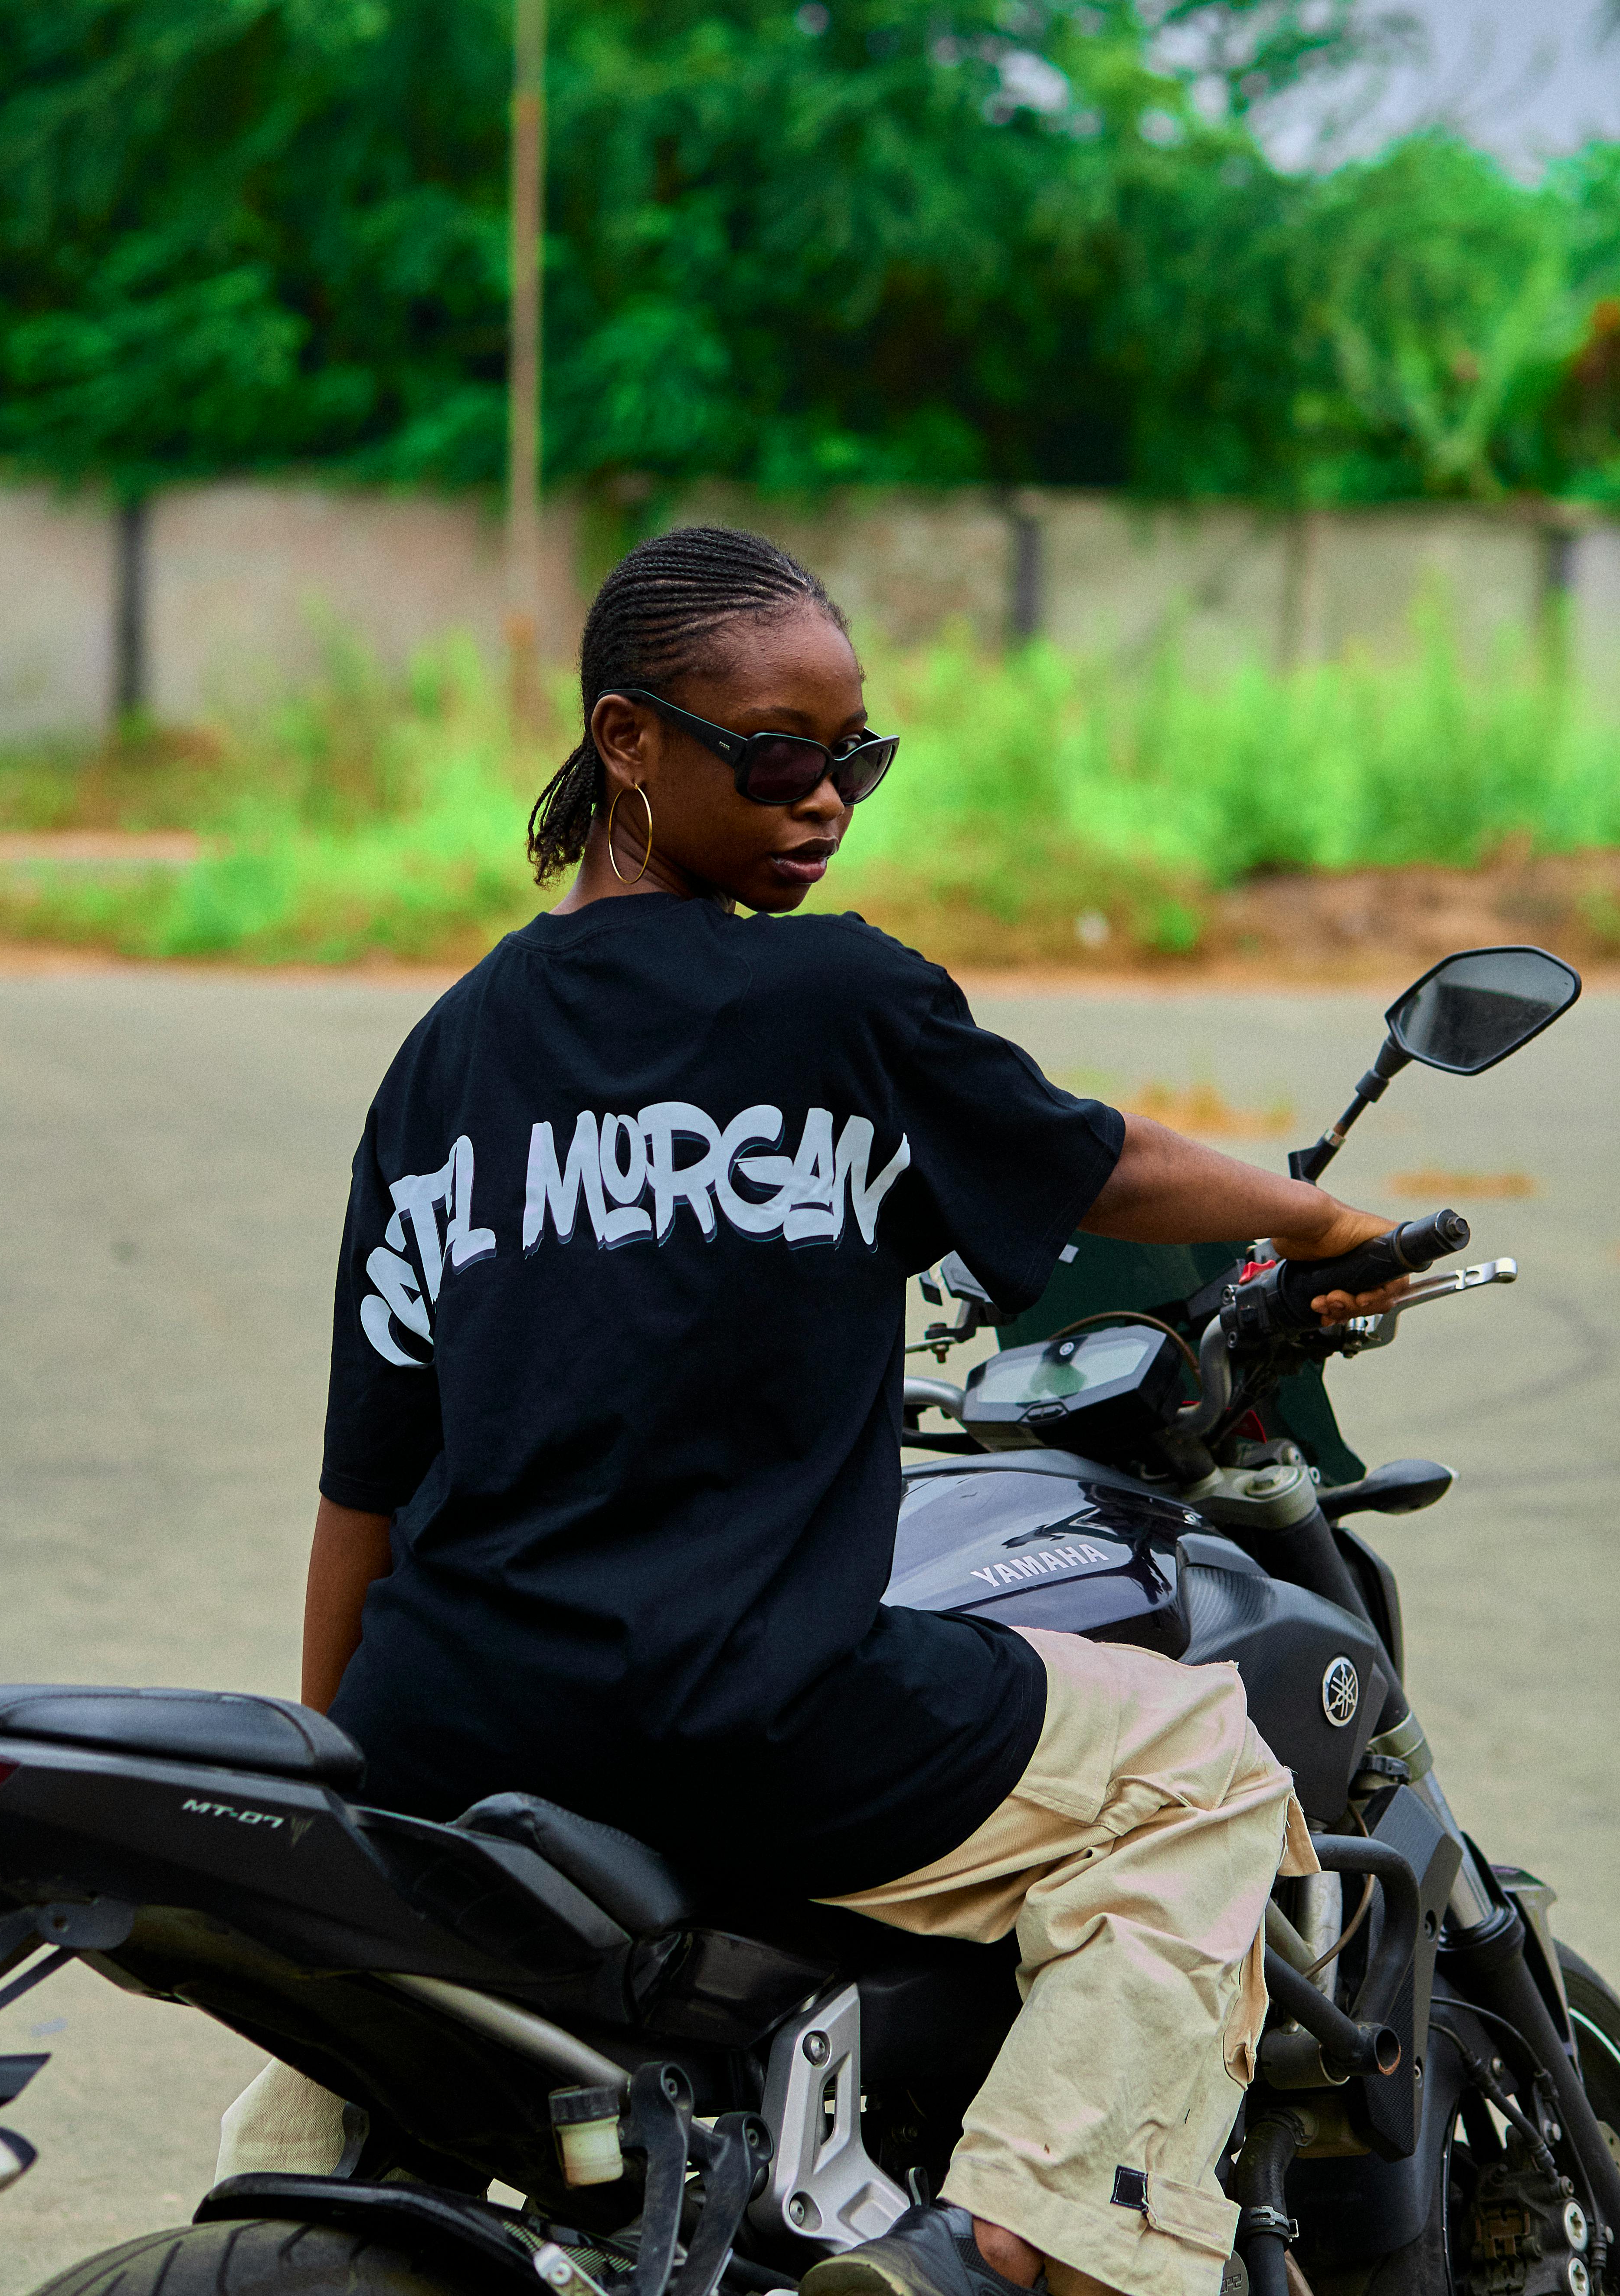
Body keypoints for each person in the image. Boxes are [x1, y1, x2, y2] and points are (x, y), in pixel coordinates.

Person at [254, 528, 1404, 2296]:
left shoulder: (450, 1058)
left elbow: (366, 1491)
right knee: (1196, 1766)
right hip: (746, 1718)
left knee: (366, 1991)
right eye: (778, 753)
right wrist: (1317, 1218)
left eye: (856, 756)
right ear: (628, 745)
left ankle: (261, 2218)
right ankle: (1010, 2241)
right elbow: (1093, 1161)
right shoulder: (835, 1000)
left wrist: (351, 1797)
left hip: (454, 1722)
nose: (828, 800)